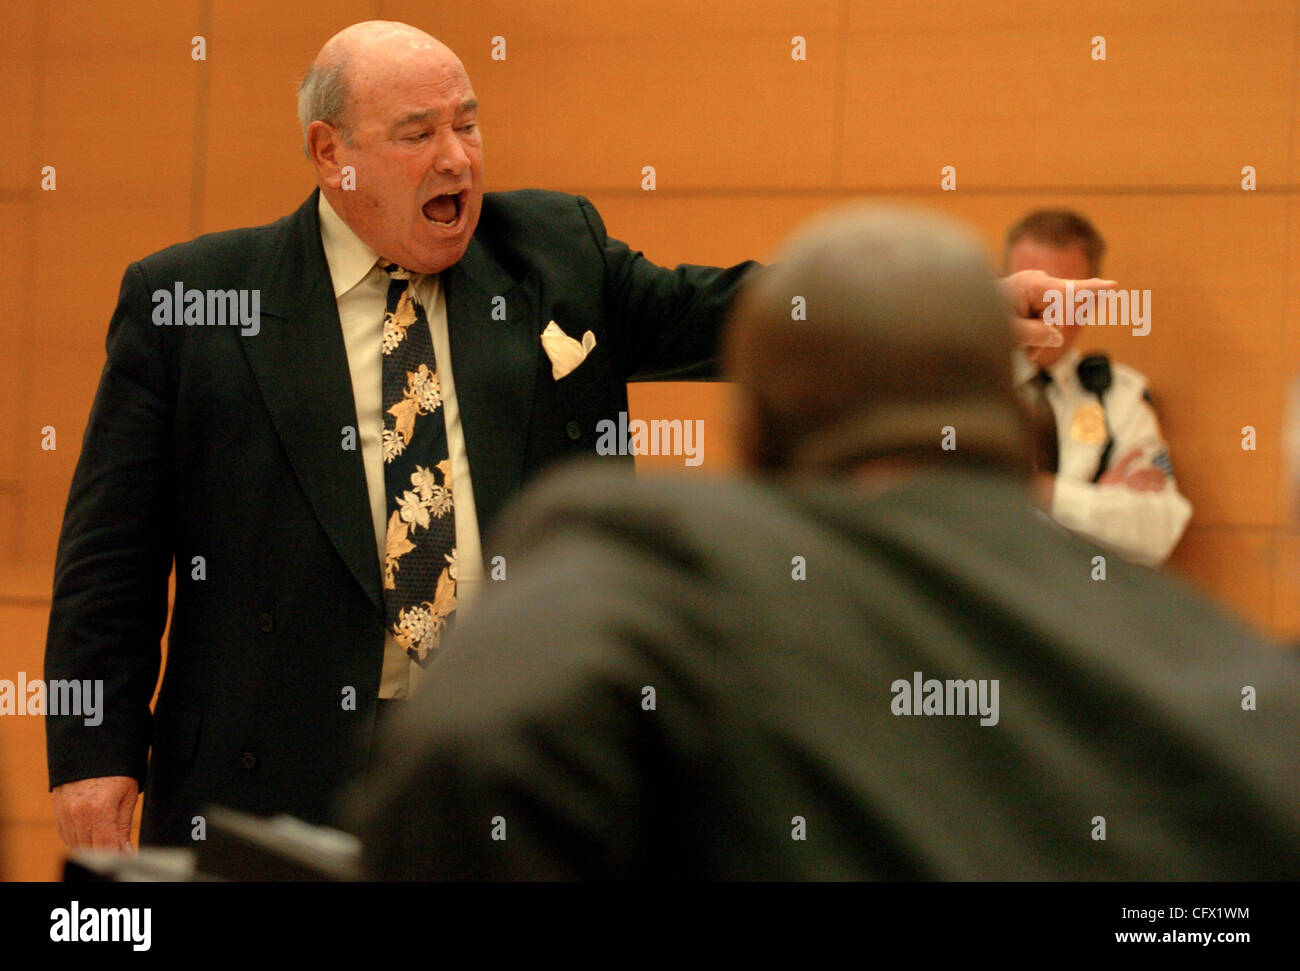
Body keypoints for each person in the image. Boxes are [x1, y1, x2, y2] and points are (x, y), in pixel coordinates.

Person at [43, 21, 1091, 853]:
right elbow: (111, 560)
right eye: (417, 133)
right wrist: (91, 753)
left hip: (511, 764)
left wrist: (957, 310)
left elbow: (736, 310)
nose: (457, 156)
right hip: (267, 773)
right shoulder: (194, 300)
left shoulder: (551, 253)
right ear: (331, 154)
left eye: (468, 122)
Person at [350, 205, 1300, 880]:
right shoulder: (1242, 687)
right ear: (1011, 427)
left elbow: (463, 766)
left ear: (754, 440)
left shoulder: (656, 565)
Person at [1007, 209, 1191, 566]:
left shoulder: (1117, 398)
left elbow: (1156, 530)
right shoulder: (963, 390)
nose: (1043, 310)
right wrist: (1092, 502)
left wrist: (1040, 491)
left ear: (1091, 302)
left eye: (1061, 295)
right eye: (1031, 292)